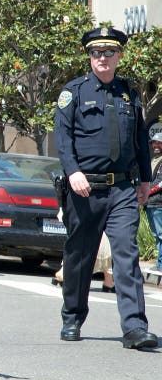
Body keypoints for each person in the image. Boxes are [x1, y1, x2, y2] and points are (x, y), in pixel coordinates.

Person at [54, 25, 157, 349]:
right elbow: (63, 138)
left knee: (126, 253)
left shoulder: (129, 94)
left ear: (119, 56)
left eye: (109, 52)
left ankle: (135, 328)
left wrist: (143, 179)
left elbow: (140, 140)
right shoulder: (74, 92)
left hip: (122, 190)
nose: (102, 58)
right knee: (80, 257)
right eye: (96, 52)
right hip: (86, 190)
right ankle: (72, 316)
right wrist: (73, 172)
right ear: (89, 56)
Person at [146, 133, 162, 272]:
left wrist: (146, 192)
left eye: (159, 143)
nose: (156, 146)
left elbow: (160, 183)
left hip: (159, 203)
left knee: (161, 234)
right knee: (156, 234)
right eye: (154, 143)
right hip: (150, 203)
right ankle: (159, 263)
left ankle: (161, 264)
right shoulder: (154, 160)